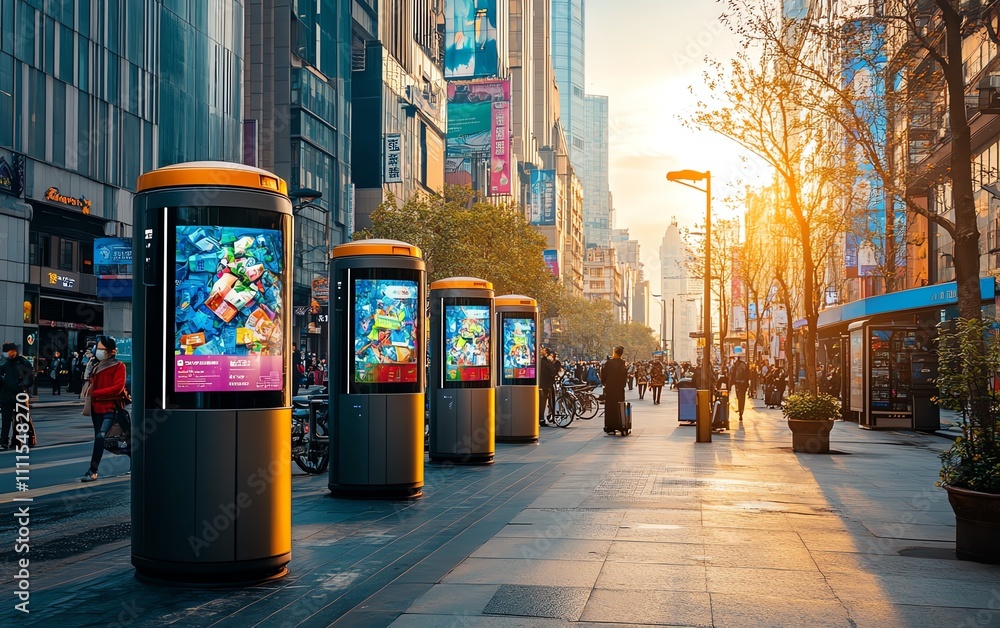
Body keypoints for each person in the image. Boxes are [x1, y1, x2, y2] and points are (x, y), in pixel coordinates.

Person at [82, 336, 128, 482]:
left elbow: (118, 388)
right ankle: (132, 455)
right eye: (98, 348)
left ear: (110, 351)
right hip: (96, 408)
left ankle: (92, 470)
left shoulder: (119, 366)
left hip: (110, 407)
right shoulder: (96, 365)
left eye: (101, 349)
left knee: (100, 437)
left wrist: (96, 393)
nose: (98, 351)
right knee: (103, 440)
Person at [0, 343, 34, 450]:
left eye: (7, 351)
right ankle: (4, 441)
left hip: (20, 394)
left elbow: (29, 378)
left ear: (13, 351)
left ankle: (30, 438)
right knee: (6, 419)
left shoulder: (23, 362)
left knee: (23, 417)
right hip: (6, 395)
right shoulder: (4, 363)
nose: (5, 354)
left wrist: (21, 385)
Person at [601, 346, 628, 434]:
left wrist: (604, 383)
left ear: (615, 352)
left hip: (610, 387)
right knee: (619, 405)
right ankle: (620, 424)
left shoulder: (608, 363)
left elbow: (603, 375)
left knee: (610, 406)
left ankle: (610, 426)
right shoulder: (623, 363)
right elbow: (624, 375)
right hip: (619, 388)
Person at [538, 348, 558, 425]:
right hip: (546, 385)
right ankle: (542, 419)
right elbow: (552, 372)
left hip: (543, 385)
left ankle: (541, 418)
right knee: (544, 403)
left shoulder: (541, 362)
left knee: (542, 403)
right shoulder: (546, 362)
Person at [729, 355, 750, 421]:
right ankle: (741, 411)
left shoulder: (734, 365)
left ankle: (740, 411)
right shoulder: (745, 365)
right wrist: (747, 383)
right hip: (743, 383)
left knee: (739, 397)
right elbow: (748, 375)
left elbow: (732, 374)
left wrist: (730, 384)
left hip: (737, 383)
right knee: (742, 398)